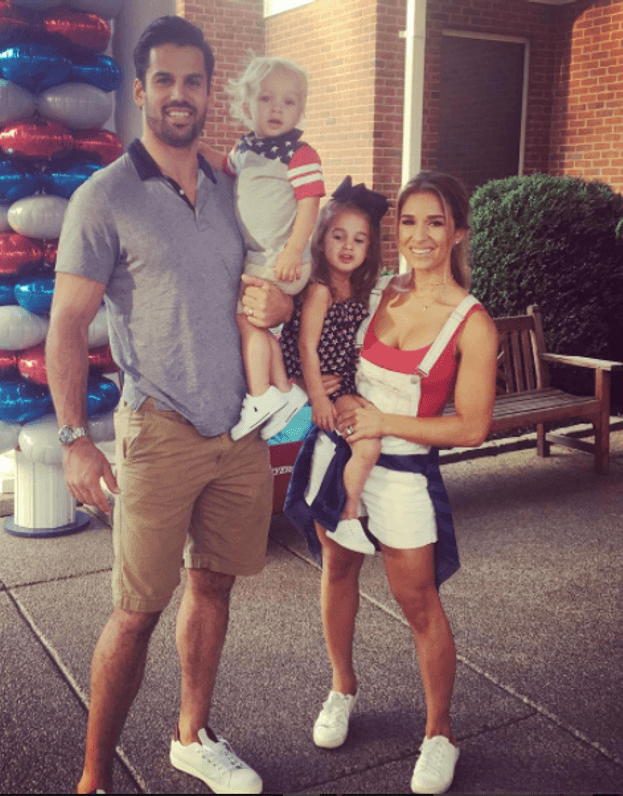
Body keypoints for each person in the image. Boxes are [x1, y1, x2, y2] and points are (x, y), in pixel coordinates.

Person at [45, 16, 295, 795]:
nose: (179, 94)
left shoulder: (231, 186)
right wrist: (74, 439)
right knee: (135, 612)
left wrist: (282, 305)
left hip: (238, 431)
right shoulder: (105, 197)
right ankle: (94, 778)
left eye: (193, 81)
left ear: (210, 91)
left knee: (214, 585)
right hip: (158, 430)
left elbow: (268, 279)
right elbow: (67, 326)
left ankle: (192, 736)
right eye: (164, 80)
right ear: (140, 88)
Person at [284, 171, 499, 795]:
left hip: (404, 475)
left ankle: (440, 733)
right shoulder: (378, 289)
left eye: (435, 222)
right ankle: (342, 687)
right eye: (408, 221)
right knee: (337, 570)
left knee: (419, 602)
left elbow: (472, 427)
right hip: (341, 457)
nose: (420, 235)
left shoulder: (472, 323)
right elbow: (309, 326)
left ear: (458, 232)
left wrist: (383, 422)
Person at [201, 55, 325, 442]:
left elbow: (310, 204)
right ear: (246, 106)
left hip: (282, 258)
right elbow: (225, 165)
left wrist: (294, 250)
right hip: (260, 258)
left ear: (300, 110)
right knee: (256, 324)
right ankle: (285, 392)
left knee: (246, 321)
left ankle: (260, 397)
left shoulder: (300, 154)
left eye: (289, 102)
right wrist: (197, 149)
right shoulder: (246, 150)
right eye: (266, 98)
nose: (277, 109)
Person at [279, 176, 388, 555]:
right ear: (322, 238)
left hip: (342, 382)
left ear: (369, 248)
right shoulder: (320, 288)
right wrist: (319, 398)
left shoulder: (355, 287)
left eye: (358, 240)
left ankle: (345, 500)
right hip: (322, 383)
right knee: (369, 443)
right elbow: (306, 347)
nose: (347, 247)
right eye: (338, 236)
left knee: (374, 426)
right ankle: (345, 515)